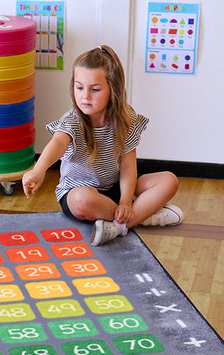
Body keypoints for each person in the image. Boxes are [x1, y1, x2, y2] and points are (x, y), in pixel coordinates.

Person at [22, 45, 182, 246]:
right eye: (79, 88)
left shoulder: (126, 120)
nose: (85, 96)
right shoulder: (72, 121)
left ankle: (121, 223)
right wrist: (39, 170)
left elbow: (128, 167)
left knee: (169, 180)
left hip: (116, 188)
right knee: (82, 199)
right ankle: (141, 216)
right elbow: (58, 143)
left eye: (95, 89)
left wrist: (125, 202)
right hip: (80, 193)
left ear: (113, 90)